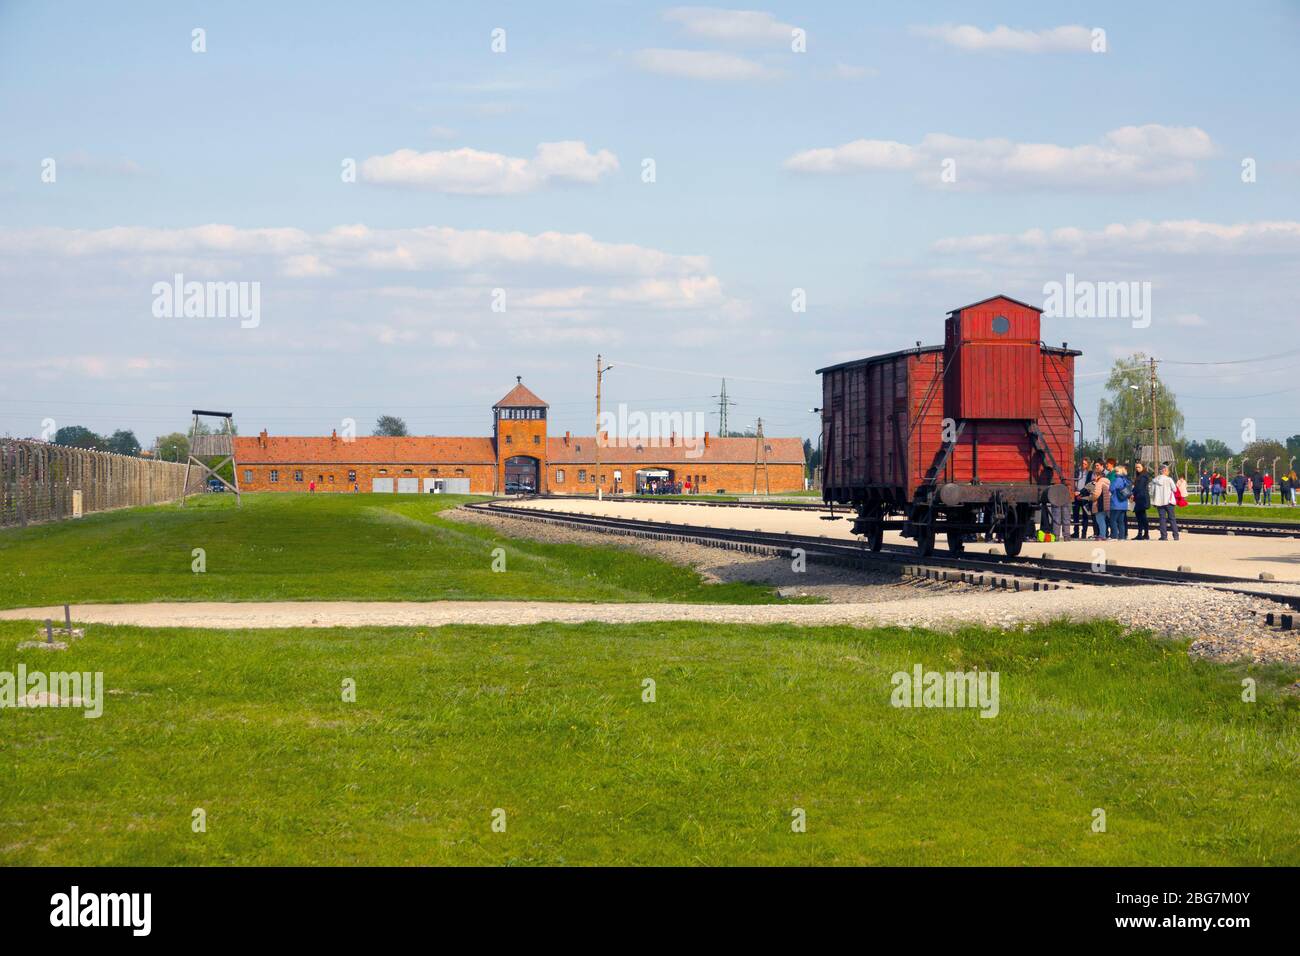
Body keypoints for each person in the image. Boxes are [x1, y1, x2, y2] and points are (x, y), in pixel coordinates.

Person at [1151, 464, 1181, 540]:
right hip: (1169, 502)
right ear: (1164, 471)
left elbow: (1152, 492)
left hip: (1159, 502)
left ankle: (1163, 536)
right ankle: (1176, 536)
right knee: (1172, 519)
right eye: (1168, 470)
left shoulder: (1155, 480)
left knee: (1162, 519)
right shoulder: (1169, 479)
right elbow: (1174, 489)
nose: (1169, 472)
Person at [1109, 465, 1130, 540]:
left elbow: (1111, 488)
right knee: (1121, 521)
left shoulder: (1117, 479)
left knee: (1113, 520)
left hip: (1116, 503)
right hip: (1123, 504)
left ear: (1120, 472)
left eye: (1117, 471)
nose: (1115, 472)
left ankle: (1114, 535)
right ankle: (1122, 536)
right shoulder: (1125, 480)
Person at [1090, 463, 1111, 540]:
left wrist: (1090, 498)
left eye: (1095, 475)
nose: (1094, 477)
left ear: (1098, 476)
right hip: (1106, 504)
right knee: (1104, 520)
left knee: (1100, 520)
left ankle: (1102, 535)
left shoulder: (1099, 482)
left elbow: (1096, 494)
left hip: (1099, 504)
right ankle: (1103, 534)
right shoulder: (1107, 482)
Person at [1072, 457, 1092, 539]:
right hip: (1076, 495)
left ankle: (1084, 534)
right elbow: (1073, 481)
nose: (1083, 465)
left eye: (1085, 464)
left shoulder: (1090, 473)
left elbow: (1090, 485)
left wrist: (1081, 493)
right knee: (1075, 515)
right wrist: (1075, 491)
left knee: (1085, 516)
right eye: (1082, 463)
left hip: (1085, 496)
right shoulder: (1077, 471)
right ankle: (1076, 532)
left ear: (1088, 465)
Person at [1131, 462, 1151, 540]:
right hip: (1139, 498)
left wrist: (1132, 493)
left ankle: (1144, 533)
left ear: (1143, 467)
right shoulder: (1140, 476)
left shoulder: (1143, 476)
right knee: (1140, 516)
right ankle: (1141, 533)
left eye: (1139, 467)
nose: (1137, 469)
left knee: (1142, 517)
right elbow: (1137, 487)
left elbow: (1139, 487)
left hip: (1142, 498)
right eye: (1136, 467)